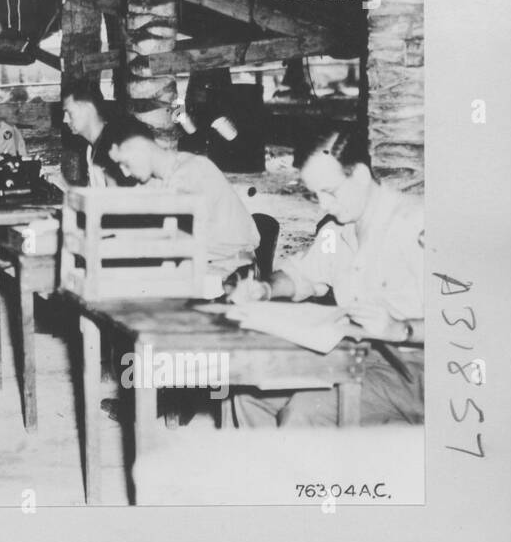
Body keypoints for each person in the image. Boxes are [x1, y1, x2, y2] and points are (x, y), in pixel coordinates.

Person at [228, 127, 424, 427]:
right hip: (355, 356)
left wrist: (400, 329)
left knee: (306, 411)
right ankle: (267, 475)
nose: (323, 205)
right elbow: (302, 275)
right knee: (249, 395)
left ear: (359, 174)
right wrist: (264, 289)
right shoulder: (338, 231)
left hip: (413, 372)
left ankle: (309, 475)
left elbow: (464, 320)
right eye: (315, 194)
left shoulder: (414, 225)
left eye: (329, 192)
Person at [100, 116, 260, 281]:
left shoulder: (192, 170)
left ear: (139, 145)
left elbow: (174, 241)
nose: (125, 172)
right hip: (205, 268)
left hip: (231, 272)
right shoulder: (153, 183)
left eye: (124, 163)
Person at [59, 78, 117, 186]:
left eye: (69, 112)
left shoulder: (114, 147)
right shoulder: (91, 149)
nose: (65, 119)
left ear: (89, 108)